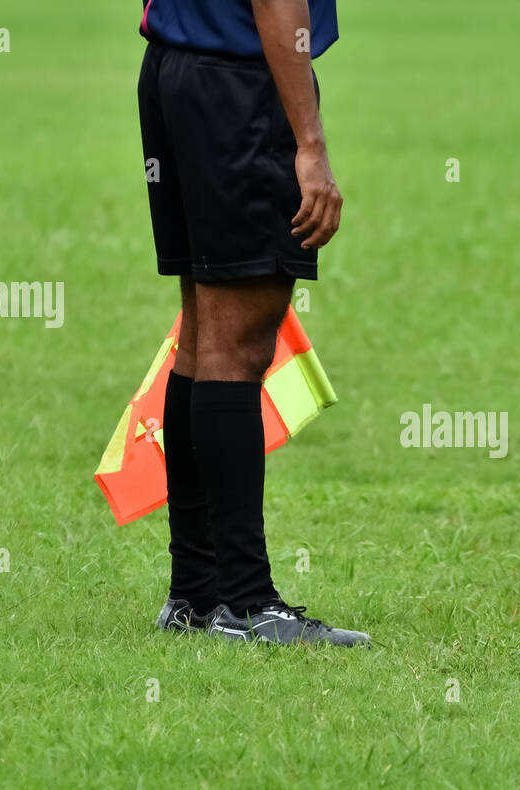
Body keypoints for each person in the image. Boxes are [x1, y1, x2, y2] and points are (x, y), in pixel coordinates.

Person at [136, 0, 367, 646]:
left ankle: (195, 594)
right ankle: (246, 603)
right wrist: (310, 144)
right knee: (234, 347)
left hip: (173, 73)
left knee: (203, 339)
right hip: (240, 87)